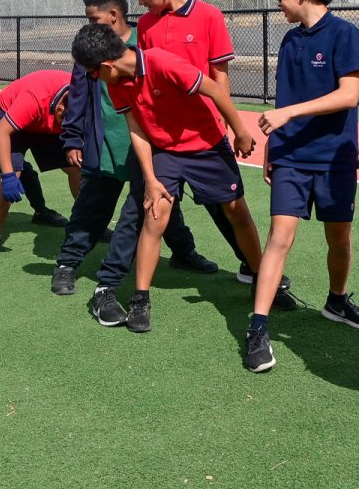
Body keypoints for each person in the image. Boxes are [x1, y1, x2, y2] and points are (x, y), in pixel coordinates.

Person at [69, 24, 263, 334]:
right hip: (165, 152)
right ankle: (141, 299)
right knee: (154, 213)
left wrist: (240, 132)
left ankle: (264, 282)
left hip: (207, 145)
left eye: (92, 73)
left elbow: (214, 89)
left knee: (235, 212)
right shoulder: (117, 82)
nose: (92, 79)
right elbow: (137, 129)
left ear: (106, 65)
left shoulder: (162, 63)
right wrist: (150, 177)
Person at [247, 0, 359, 374]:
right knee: (279, 238)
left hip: (335, 158)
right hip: (291, 158)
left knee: (339, 238)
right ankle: (258, 327)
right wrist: (273, 144)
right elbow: (284, 101)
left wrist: (288, 116)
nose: (280, 5)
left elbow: (349, 95)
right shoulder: (288, 41)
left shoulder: (345, 34)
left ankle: (337, 301)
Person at [53, 0, 222, 298]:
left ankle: (184, 252)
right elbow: (76, 97)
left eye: (94, 18)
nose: (89, 24)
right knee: (90, 209)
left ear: (114, 15)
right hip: (104, 146)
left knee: (154, 206)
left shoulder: (142, 44)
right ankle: (67, 263)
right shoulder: (89, 53)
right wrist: (73, 138)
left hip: (145, 145)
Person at [124, 0, 260, 284]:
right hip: (165, 140)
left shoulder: (209, 16)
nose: (139, 2)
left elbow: (220, 76)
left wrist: (228, 123)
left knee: (232, 209)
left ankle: (262, 274)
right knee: (154, 210)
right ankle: (142, 292)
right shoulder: (145, 24)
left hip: (206, 135)